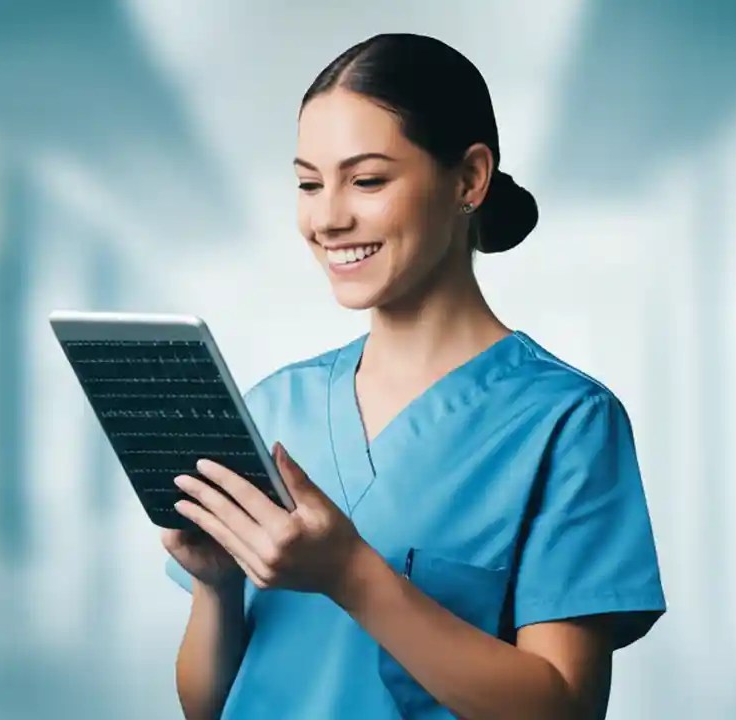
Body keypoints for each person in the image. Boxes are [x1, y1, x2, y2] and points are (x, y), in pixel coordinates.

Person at [161, 32, 666, 720]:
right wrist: (217, 587)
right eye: (309, 183)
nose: (329, 217)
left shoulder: (566, 424)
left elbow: (564, 709)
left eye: (367, 180)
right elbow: (207, 706)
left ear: (468, 179)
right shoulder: (275, 406)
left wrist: (352, 575)